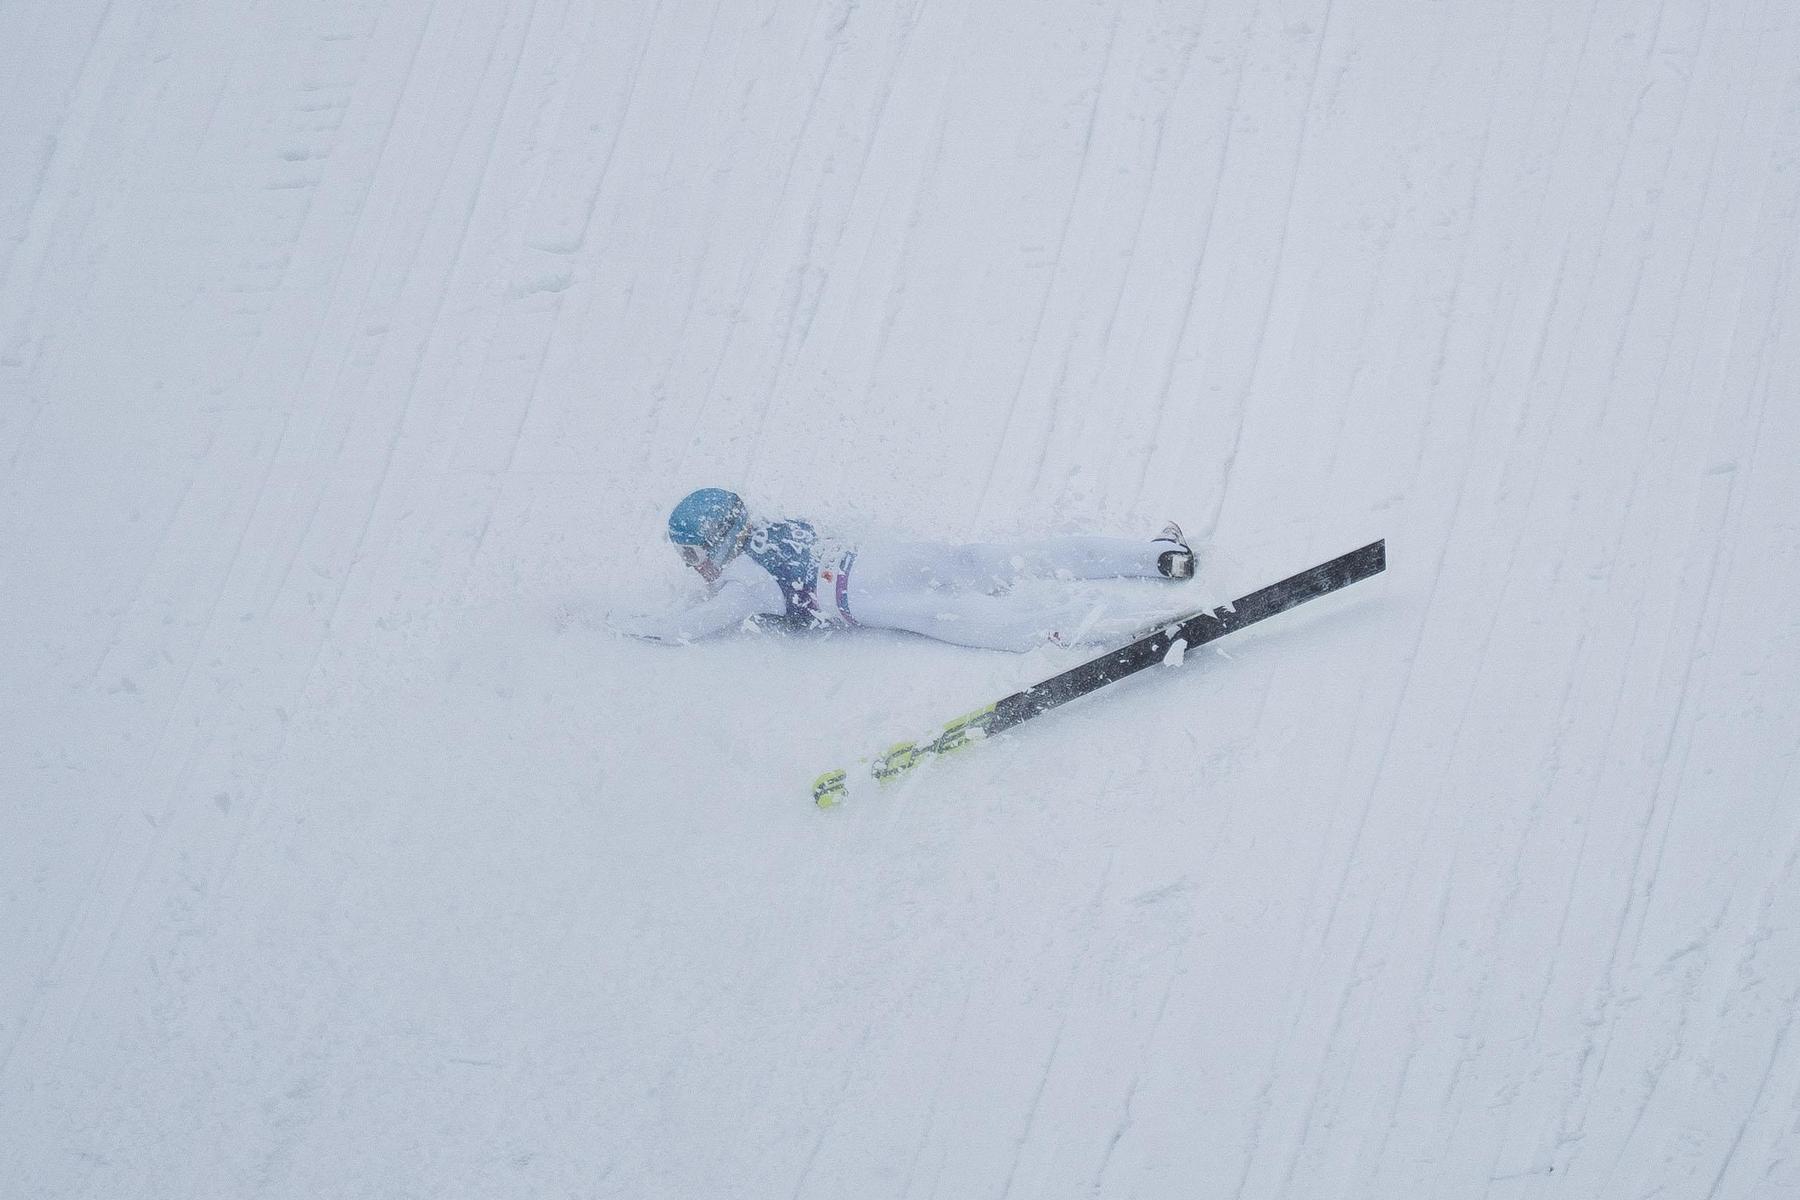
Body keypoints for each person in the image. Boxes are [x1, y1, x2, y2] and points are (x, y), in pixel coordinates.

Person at [613, 488, 1198, 652]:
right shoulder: (773, 529)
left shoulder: (740, 585)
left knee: (1002, 627)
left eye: (692, 555)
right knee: (1005, 558)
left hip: (875, 596)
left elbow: (681, 630)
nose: (692, 568)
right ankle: (1151, 556)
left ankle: (1131, 632)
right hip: (891, 559)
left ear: (717, 544)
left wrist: (610, 620)